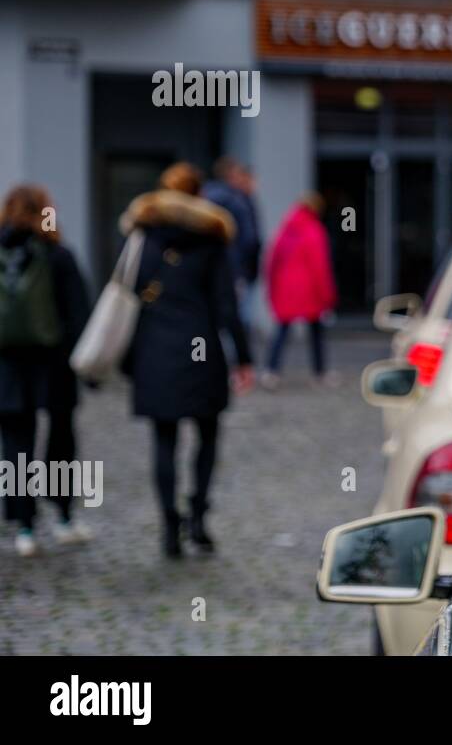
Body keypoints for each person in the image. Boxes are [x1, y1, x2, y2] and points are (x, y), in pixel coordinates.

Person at [120, 162, 254, 558]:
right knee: (207, 434)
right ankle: (197, 517)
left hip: (154, 350)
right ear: (199, 195)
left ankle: (168, 525)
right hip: (201, 349)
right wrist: (244, 358)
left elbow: (128, 291)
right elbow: (227, 305)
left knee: (164, 438)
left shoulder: (142, 235)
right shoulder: (212, 239)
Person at [0, 185, 92, 557]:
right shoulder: (58, 255)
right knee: (60, 440)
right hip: (53, 364)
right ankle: (64, 518)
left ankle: (24, 528)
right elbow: (79, 313)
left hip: (6, 363)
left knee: (16, 446)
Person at [263, 192, 337, 389]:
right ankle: (319, 372)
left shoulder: (286, 230)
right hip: (309, 291)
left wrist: (271, 289)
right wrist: (327, 295)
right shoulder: (314, 231)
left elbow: (271, 263)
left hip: (285, 290)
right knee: (315, 333)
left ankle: (271, 371)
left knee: (282, 331)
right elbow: (320, 266)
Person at [201, 157, 262, 326]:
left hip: (213, 268)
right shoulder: (236, 201)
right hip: (235, 269)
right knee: (236, 320)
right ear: (231, 176)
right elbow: (250, 240)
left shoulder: (206, 196)